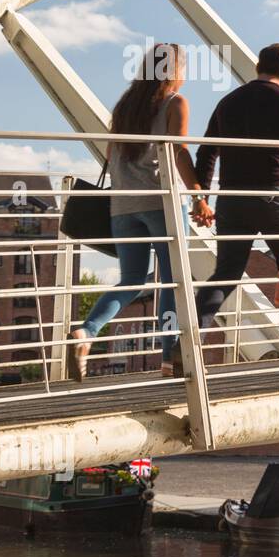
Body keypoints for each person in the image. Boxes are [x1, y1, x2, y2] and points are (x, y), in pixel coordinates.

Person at [67, 43, 211, 381]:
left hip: (122, 206)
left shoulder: (125, 106)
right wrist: (198, 196)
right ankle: (169, 359)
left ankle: (86, 332)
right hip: (159, 202)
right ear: (175, 71)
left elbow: (112, 153)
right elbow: (178, 151)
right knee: (175, 282)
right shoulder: (176, 103)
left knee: (131, 279)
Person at [191, 43, 279, 368]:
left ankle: (185, 345)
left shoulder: (228, 101)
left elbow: (207, 152)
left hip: (231, 200)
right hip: (273, 196)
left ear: (257, 67)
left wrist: (202, 197)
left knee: (226, 273)